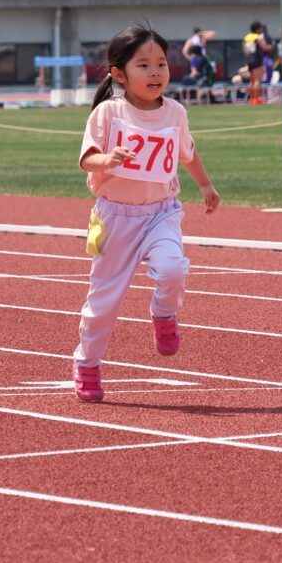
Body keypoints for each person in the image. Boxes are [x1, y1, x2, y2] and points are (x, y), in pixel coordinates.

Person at [72, 24, 219, 403]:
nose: (156, 73)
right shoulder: (108, 113)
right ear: (119, 74)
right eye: (144, 65)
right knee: (103, 303)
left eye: (161, 64)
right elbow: (87, 160)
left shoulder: (175, 112)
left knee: (173, 268)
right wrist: (109, 158)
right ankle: (88, 363)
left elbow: (188, 152)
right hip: (114, 218)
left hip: (161, 213)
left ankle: (164, 314)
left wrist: (205, 185)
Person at [242, 21, 273, 104]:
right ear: (258, 29)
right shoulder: (258, 37)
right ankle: (256, 99)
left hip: (249, 60)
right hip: (257, 60)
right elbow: (265, 47)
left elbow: (245, 50)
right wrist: (270, 47)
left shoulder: (246, 37)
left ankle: (252, 99)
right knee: (257, 80)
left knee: (252, 81)